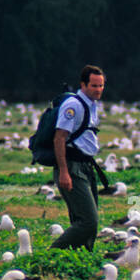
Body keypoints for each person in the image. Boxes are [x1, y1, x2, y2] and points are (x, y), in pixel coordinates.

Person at [50, 65, 106, 250]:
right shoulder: (73, 106)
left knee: (84, 222)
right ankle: (51, 255)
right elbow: (59, 138)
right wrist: (64, 172)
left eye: (101, 86)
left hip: (86, 167)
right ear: (83, 85)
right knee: (89, 221)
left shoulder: (92, 105)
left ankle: (82, 261)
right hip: (72, 167)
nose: (98, 90)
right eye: (94, 86)